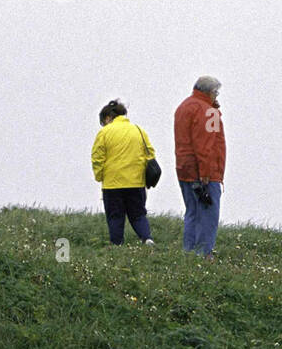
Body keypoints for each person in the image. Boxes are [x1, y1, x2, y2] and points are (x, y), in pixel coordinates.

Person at [91, 99, 157, 246]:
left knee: (115, 216)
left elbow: (97, 157)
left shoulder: (104, 132)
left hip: (112, 183)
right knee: (138, 215)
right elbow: (150, 154)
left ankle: (116, 245)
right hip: (136, 182)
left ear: (107, 118)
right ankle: (147, 238)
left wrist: (99, 175)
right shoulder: (139, 131)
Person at [173, 75, 226, 258]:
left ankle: (189, 252)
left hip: (184, 167)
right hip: (204, 172)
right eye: (216, 92)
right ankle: (204, 253)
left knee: (192, 212)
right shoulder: (208, 111)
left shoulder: (184, 106)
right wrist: (206, 172)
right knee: (208, 214)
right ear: (210, 92)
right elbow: (205, 145)